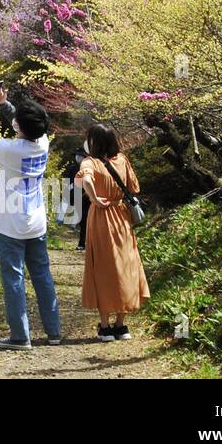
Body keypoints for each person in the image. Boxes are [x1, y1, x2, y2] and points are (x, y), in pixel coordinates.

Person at [0, 85, 61, 350]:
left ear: (20, 127)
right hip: (36, 223)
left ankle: (20, 336)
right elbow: (23, 124)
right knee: (42, 276)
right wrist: (4, 105)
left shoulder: (10, 150)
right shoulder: (43, 143)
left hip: (10, 225)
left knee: (14, 280)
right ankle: (54, 332)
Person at [75, 123, 150, 341]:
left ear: (94, 142)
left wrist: (95, 197)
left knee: (104, 269)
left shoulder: (90, 162)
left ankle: (105, 327)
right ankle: (121, 326)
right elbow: (134, 187)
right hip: (122, 218)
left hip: (101, 218)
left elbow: (86, 179)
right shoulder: (122, 160)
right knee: (126, 266)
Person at [59, 142, 91, 251]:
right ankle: (82, 242)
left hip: (87, 197)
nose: (78, 157)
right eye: (77, 155)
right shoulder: (72, 168)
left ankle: (83, 243)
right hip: (75, 196)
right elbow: (67, 182)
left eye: (80, 156)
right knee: (80, 220)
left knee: (85, 221)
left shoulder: (89, 168)